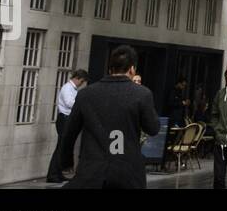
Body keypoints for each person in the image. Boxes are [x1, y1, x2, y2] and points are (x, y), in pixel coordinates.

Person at [59, 46, 159, 189]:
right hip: (128, 173)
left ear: (110, 68)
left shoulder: (86, 95)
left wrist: (66, 163)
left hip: (92, 172)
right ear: (132, 69)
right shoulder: (142, 94)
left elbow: (69, 134)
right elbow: (153, 128)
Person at [45, 69, 89, 183]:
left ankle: (58, 173)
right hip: (64, 119)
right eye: (82, 81)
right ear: (78, 78)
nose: (81, 84)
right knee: (60, 148)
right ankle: (53, 174)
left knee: (63, 148)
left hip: (67, 119)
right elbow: (70, 103)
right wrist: (80, 103)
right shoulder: (67, 88)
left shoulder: (72, 89)